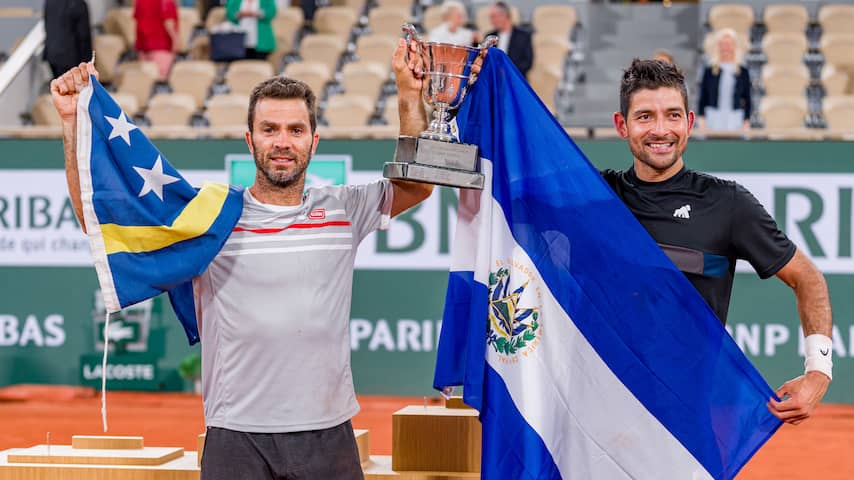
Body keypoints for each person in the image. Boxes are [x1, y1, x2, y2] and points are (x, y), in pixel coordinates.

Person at [49, 37, 432, 479]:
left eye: (295, 130)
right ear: (250, 139)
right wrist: (71, 121)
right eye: (270, 130)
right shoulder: (209, 217)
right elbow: (94, 217)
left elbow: (418, 184)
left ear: (314, 140)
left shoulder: (344, 208)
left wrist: (407, 92)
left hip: (328, 434)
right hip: (237, 439)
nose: (282, 142)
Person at [603, 59, 831, 425]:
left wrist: (818, 371)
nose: (661, 129)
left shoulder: (727, 203)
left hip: (684, 424)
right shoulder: (592, 196)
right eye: (645, 116)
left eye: (673, 115)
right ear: (622, 125)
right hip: (595, 412)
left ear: (689, 124)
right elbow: (502, 179)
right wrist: (478, 89)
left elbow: (808, 278)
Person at [697, 28, 751, 131]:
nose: (726, 47)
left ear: (734, 46)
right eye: (723, 44)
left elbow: (747, 99)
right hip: (713, 117)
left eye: (729, 44)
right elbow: (703, 96)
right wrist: (701, 118)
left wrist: (746, 120)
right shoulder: (710, 70)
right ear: (718, 46)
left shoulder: (743, 71)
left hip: (735, 117)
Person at [43, 0, 92, 79]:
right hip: (71, 58)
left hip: (52, 55)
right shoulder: (79, 4)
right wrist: (88, 63)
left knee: (59, 86)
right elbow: (84, 36)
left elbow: (47, 25)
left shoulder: (49, 1)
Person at [134, 0, 180, 81]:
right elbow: (169, 24)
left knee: (146, 81)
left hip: (143, 47)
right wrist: (176, 42)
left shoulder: (139, 1)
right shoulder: (166, 1)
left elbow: (137, 22)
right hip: (161, 47)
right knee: (160, 81)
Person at [485, 1, 532, 78]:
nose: (492, 21)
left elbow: (527, 62)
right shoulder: (489, 36)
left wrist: (508, 72)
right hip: (493, 78)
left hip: (515, 78)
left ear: (504, 15)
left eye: (493, 17)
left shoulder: (523, 36)